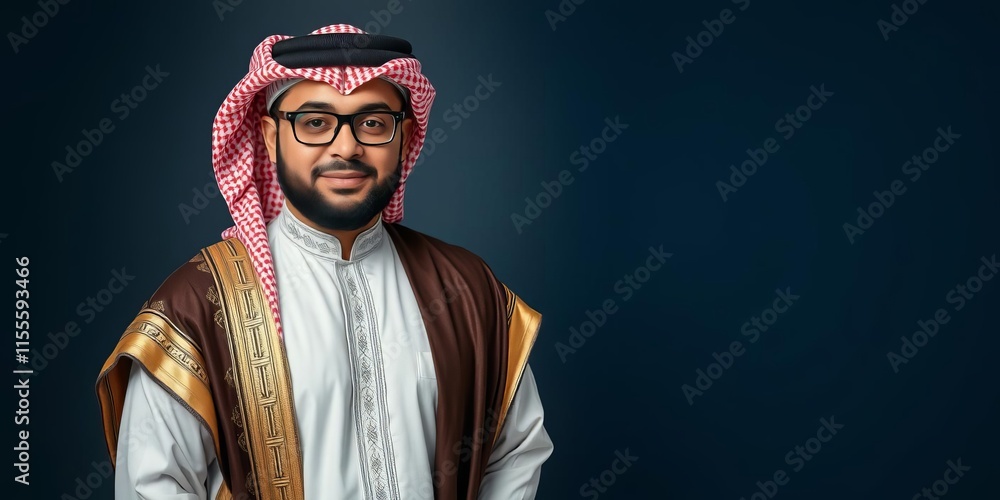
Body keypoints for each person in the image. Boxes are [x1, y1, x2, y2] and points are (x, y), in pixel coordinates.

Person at [94, 23, 553, 500]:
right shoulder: (197, 306)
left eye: (372, 123)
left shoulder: (465, 287)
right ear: (270, 136)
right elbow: (153, 484)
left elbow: (515, 448)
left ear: (405, 136)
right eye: (315, 122)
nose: (346, 147)